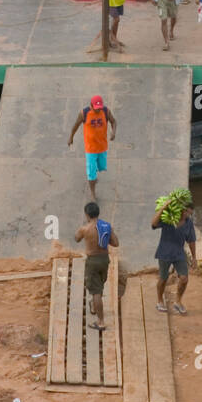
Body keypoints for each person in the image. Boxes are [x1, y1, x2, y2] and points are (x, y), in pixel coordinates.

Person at [75, 201, 118, 331]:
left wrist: (81, 231)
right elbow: (115, 243)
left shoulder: (85, 229)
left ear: (87, 214)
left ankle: (100, 322)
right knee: (99, 285)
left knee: (96, 291)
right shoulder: (107, 226)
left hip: (92, 261)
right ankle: (94, 305)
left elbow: (77, 238)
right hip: (104, 260)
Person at [152, 194, 197, 315]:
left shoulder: (188, 223)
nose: (188, 215)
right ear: (182, 209)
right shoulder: (169, 219)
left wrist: (194, 257)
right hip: (165, 251)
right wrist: (163, 207)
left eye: (190, 213)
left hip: (179, 253)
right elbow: (153, 224)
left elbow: (191, 240)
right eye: (187, 212)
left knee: (184, 278)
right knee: (163, 278)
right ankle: (160, 301)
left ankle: (178, 301)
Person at [68, 96, 117, 199]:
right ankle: (93, 193)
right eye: (96, 107)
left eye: (99, 107)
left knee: (102, 166)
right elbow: (75, 125)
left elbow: (114, 121)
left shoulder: (105, 111)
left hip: (102, 146)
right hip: (90, 149)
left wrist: (113, 132)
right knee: (91, 173)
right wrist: (71, 137)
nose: (98, 109)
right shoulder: (84, 113)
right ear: (91, 105)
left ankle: (93, 176)